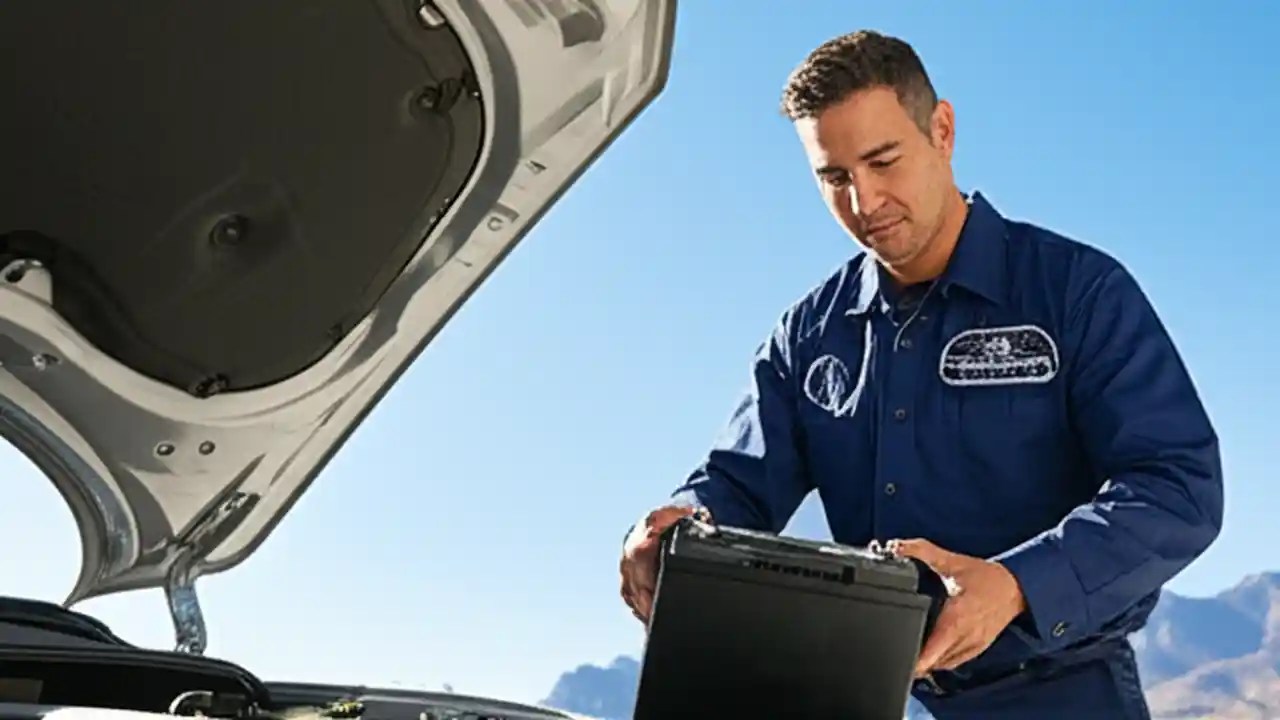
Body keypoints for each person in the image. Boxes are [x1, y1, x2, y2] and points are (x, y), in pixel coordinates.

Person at [618, 29, 1223, 720]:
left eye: (882, 161)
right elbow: (736, 486)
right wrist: (678, 528)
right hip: (857, 691)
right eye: (834, 178)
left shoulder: (1079, 293)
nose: (864, 201)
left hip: (1061, 696)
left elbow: (1180, 487)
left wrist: (1016, 585)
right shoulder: (806, 336)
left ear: (942, 130)